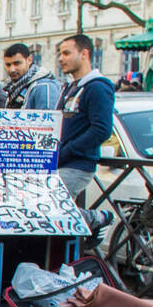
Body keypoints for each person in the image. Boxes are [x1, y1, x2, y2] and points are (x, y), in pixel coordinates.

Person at [55, 32, 116, 200]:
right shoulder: (70, 88)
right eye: (60, 54)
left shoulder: (97, 87)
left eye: (66, 53)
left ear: (84, 54)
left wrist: (68, 150)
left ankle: (96, 217)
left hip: (77, 165)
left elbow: (102, 129)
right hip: (59, 162)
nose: (61, 59)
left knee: (48, 207)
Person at [2, 42, 61, 110]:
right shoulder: (13, 87)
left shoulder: (43, 86)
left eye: (17, 63)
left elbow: (46, 119)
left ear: (29, 60)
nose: (12, 69)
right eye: (8, 65)